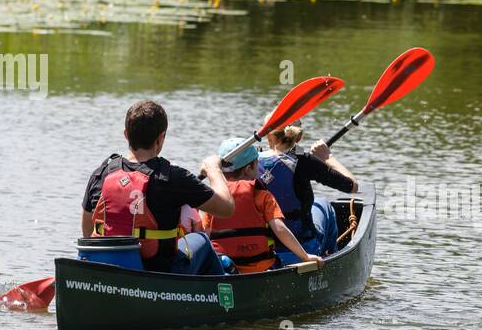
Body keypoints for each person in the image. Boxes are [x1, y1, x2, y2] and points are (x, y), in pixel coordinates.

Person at [82, 100, 234, 275]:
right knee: (201, 241)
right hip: (161, 273)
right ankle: (217, 299)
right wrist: (213, 169)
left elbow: (87, 229)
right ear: (161, 137)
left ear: (126, 134)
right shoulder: (174, 177)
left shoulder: (101, 173)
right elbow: (227, 208)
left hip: (105, 267)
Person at [200, 138, 324, 273]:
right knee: (324, 206)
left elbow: (206, 234)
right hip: (261, 269)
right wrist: (305, 256)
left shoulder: (214, 198)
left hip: (225, 269)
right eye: (257, 164)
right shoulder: (262, 196)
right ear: (248, 168)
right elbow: (280, 229)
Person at [257, 124, 357, 263]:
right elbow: (352, 186)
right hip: (304, 247)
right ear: (298, 137)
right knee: (323, 204)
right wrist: (327, 156)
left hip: (263, 247)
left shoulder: (251, 162)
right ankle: (331, 259)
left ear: (267, 136)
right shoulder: (304, 160)